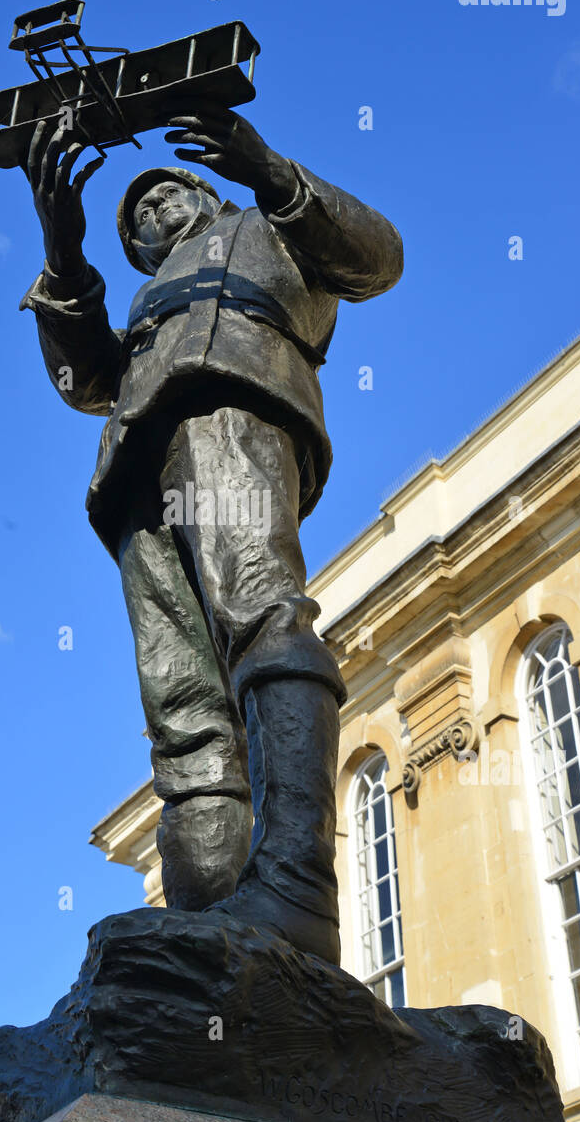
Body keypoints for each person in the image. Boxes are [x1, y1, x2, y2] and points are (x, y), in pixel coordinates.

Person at [20, 102, 403, 964]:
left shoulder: (272, 229)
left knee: (262, 621)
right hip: (136, 473)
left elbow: (379, 259)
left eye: (164, 194)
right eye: (135, 221)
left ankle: (297, 893)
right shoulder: (149, 316)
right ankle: (208, 916)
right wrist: (61, 248)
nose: (150, 210)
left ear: (205, 189)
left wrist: (265, 164)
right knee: (181, 702)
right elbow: (86, 382)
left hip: (230, 412)